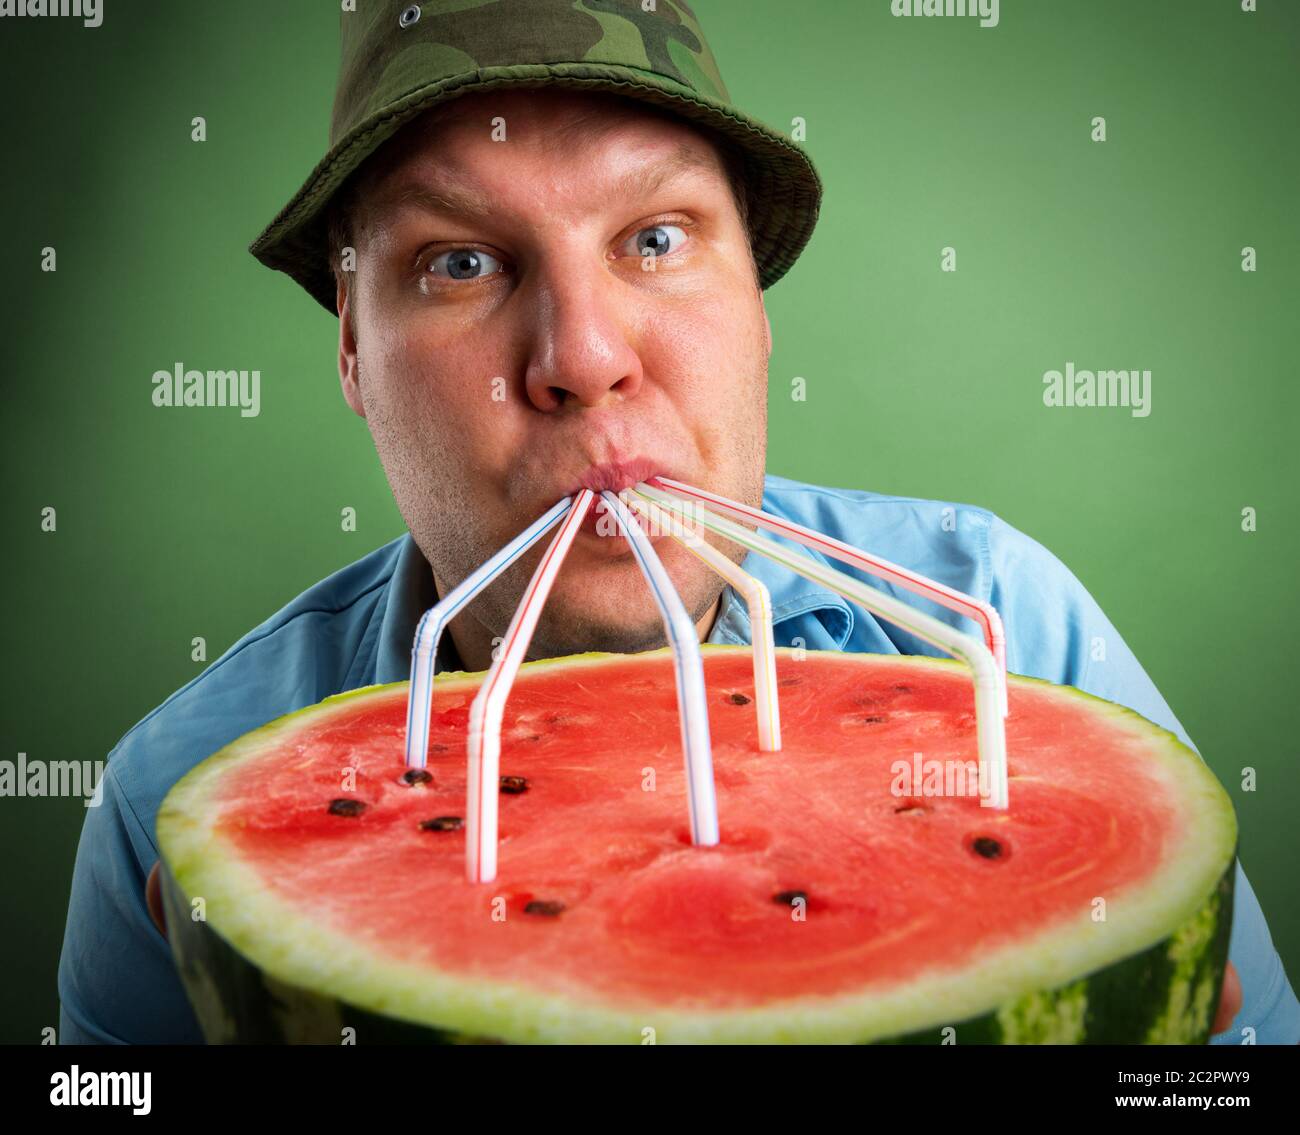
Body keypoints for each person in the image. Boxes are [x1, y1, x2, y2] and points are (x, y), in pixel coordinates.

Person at [58, 0, 1295, 1044]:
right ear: (351, 352)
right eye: (461, 263)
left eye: (654, 238)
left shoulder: (1003, 633)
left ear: (756, 309)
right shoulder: (176, 804)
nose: (582, 358)